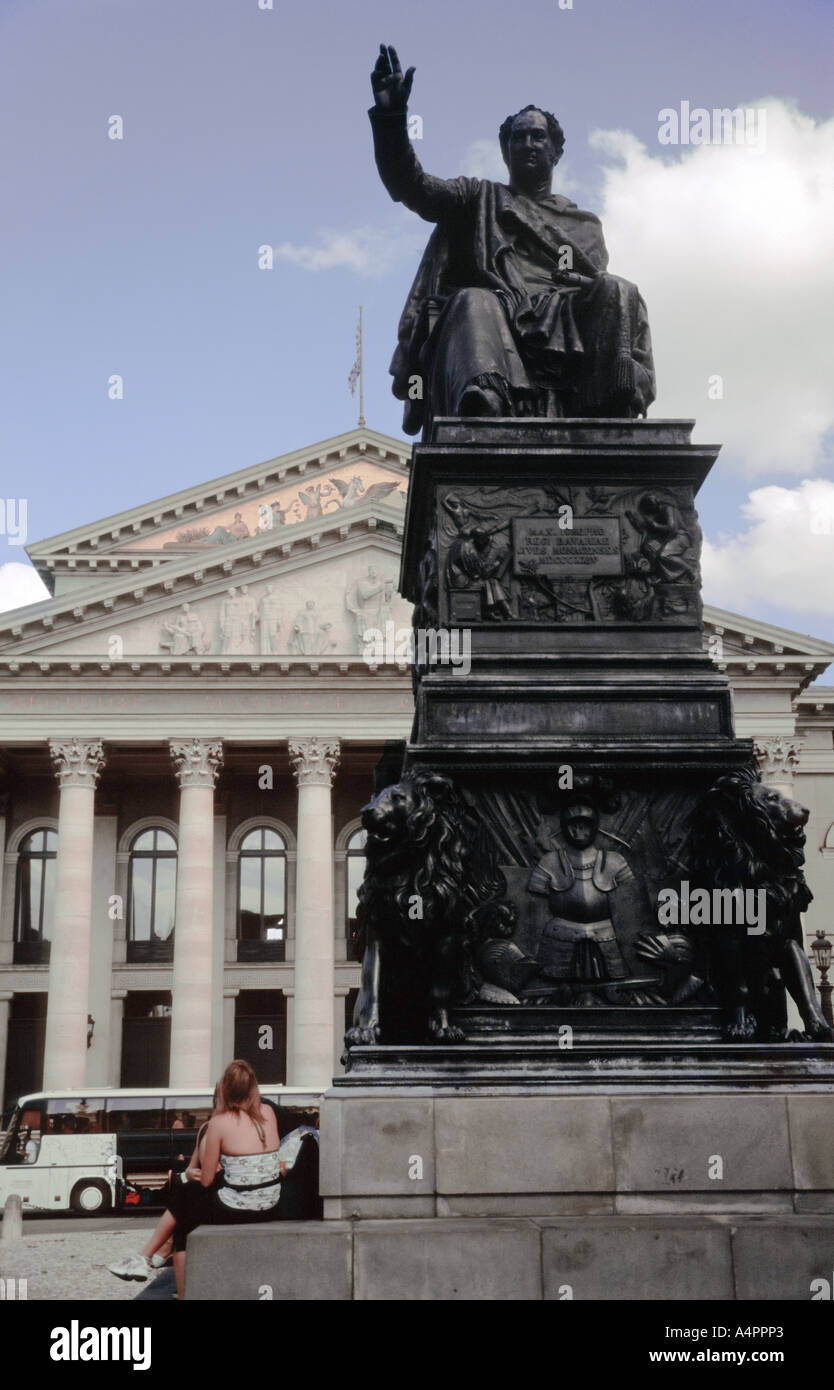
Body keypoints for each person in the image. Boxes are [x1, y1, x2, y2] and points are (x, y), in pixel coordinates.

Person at [369, 45, 655, 436]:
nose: (528, 144)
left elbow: (591, 288)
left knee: (618, 288)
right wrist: (391, 119)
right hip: (497, 311)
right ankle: (485, 397)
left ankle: (609, 400)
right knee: (474, 298)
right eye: (518, 138)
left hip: (562, 317)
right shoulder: (477, 198)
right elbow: (411, 186)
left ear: (556, 152)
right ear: (505, 151)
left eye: (538, 137)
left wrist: (570, 292)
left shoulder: (584, 225)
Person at [173, 1060, 284, 1300]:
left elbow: (207, 1180)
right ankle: (151, 1254)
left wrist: (194, 1174)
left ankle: (180, 1293)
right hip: (272, 1203)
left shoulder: (219, 1122)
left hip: (238, 1207)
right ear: (254, 1087)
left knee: (183, 1218)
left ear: (224, 1088)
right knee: (188, 1198)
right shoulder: (268, 1112)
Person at [107, 1091, 221, 1283]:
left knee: (185, 1199)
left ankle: (149, 1256)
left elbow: (219, 1174)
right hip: (200, 1191)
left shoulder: (226, 1130)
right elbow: (191, 1168)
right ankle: (152, 1255)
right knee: (184, 1192)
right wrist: (189, 1174)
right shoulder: (205, 1129)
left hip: (213, 1195)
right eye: (217, 1104)